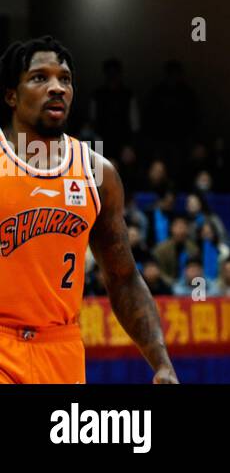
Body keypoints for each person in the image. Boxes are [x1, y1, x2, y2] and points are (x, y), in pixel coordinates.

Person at [0, 37, 177, 384]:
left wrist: (161, 362)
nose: (56, 88)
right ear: (11, 95)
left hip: (61, 348)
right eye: (39, 78)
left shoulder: (98, 173)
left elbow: (123, 277)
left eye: (64, 79)